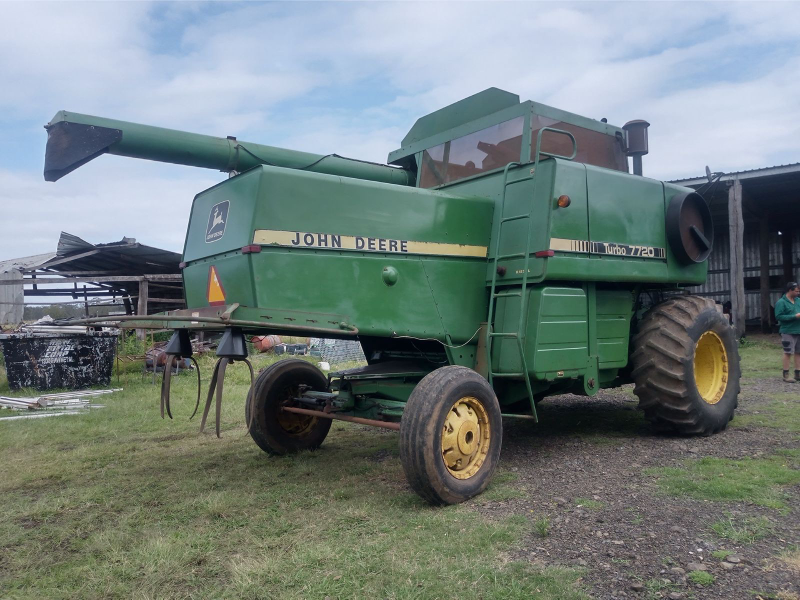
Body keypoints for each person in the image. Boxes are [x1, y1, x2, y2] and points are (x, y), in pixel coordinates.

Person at [774, 281, 800, 382]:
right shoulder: (781, 302)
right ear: (790, 290)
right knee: (788, 352)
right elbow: (779, 316)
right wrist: (794, 316)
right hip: (788, 331)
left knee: (799, 352)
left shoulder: (798, 301)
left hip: (798, 330)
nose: (798, 293)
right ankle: (786, 374)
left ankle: (798, 373)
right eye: (796, 291)